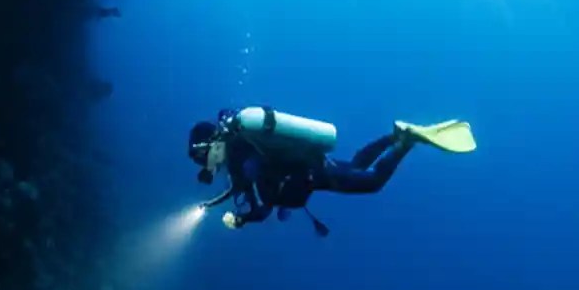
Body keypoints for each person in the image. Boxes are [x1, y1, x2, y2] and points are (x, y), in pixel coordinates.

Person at [187, 107, 475, 236]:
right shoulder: (243, 148)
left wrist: (241, 220)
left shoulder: (243, 161)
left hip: (313, 175)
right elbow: (251, 189)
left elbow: (263, 207)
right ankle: (393, 136)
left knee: (373, 182)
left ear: (210, 145)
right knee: (356, 164)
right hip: (313, 167)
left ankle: (407, 141)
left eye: (204, 160)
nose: (209, 167)